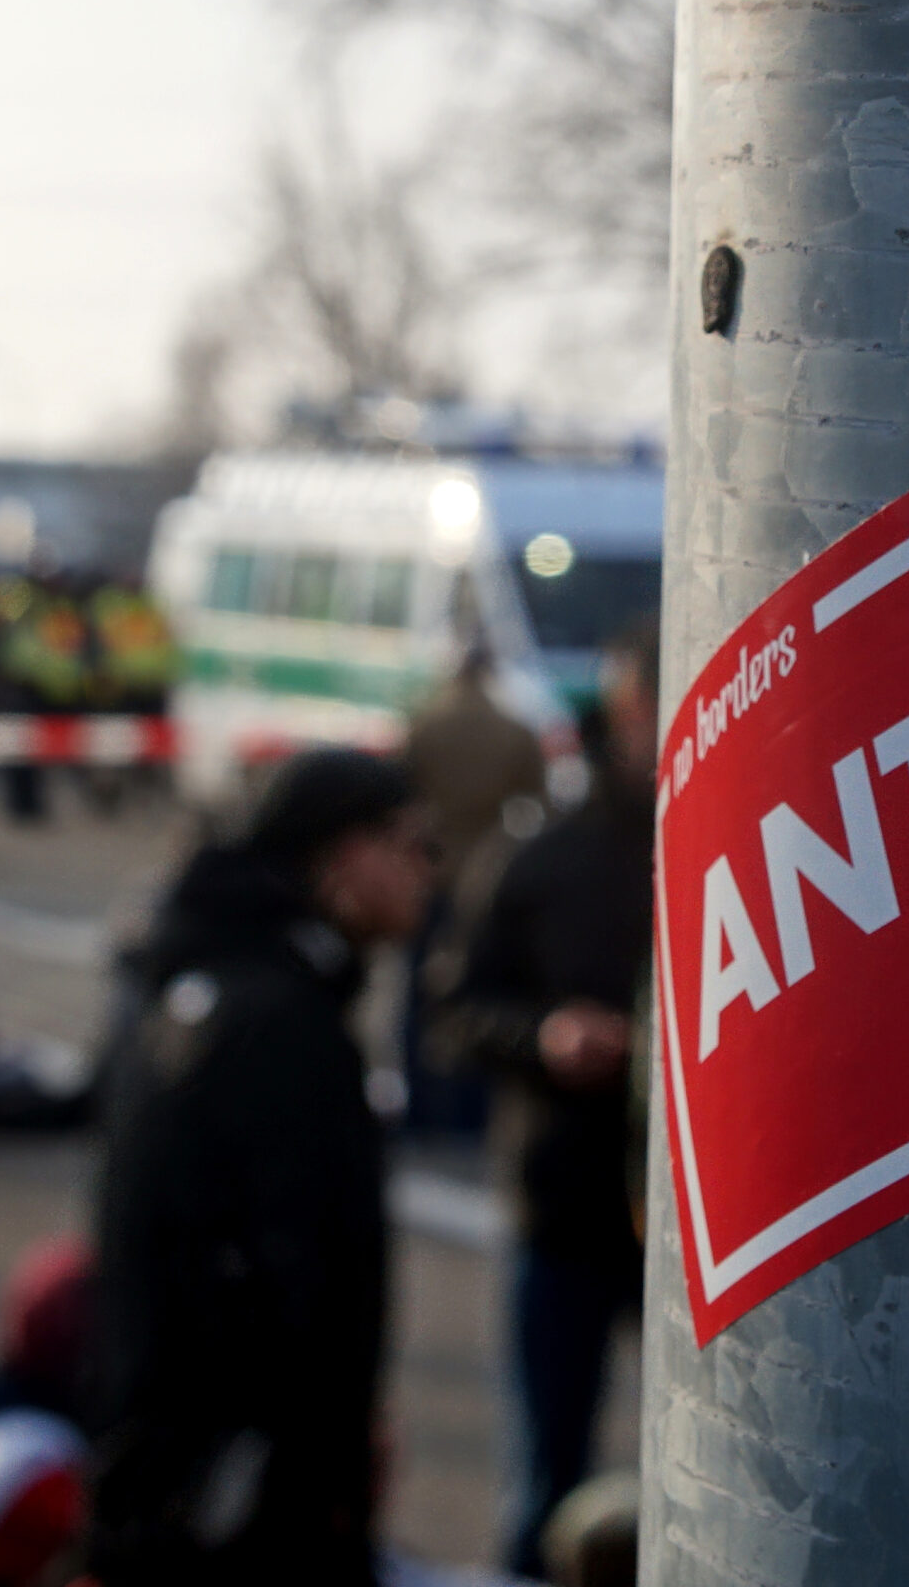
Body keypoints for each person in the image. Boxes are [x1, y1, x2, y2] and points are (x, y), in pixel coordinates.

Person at [87, 749, 433, 1586]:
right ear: (349, 853)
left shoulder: (225, 980)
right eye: (419, 846)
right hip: (238, 1503)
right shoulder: (276, 1021)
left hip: (182, 1468)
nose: (433, 872)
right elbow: (287, 1284)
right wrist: (321, 1470)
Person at [434, 631, 656, 1578]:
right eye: (647, 708)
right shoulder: (545, 855)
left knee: (717, 1471)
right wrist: (545, 1040)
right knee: (544, 1483)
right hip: (564, 1201)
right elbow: (456, 1008)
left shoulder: (742, 839)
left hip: (690, 1225)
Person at [402, 646, 548, 1134]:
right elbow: (540, 802)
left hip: (431, 874)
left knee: (419, 994)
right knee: (476, 996)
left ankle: (421, 1107)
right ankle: (472, 1112)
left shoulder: (424, 726)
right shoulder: (513, 730)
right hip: (486, 880)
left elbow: (399, 795)